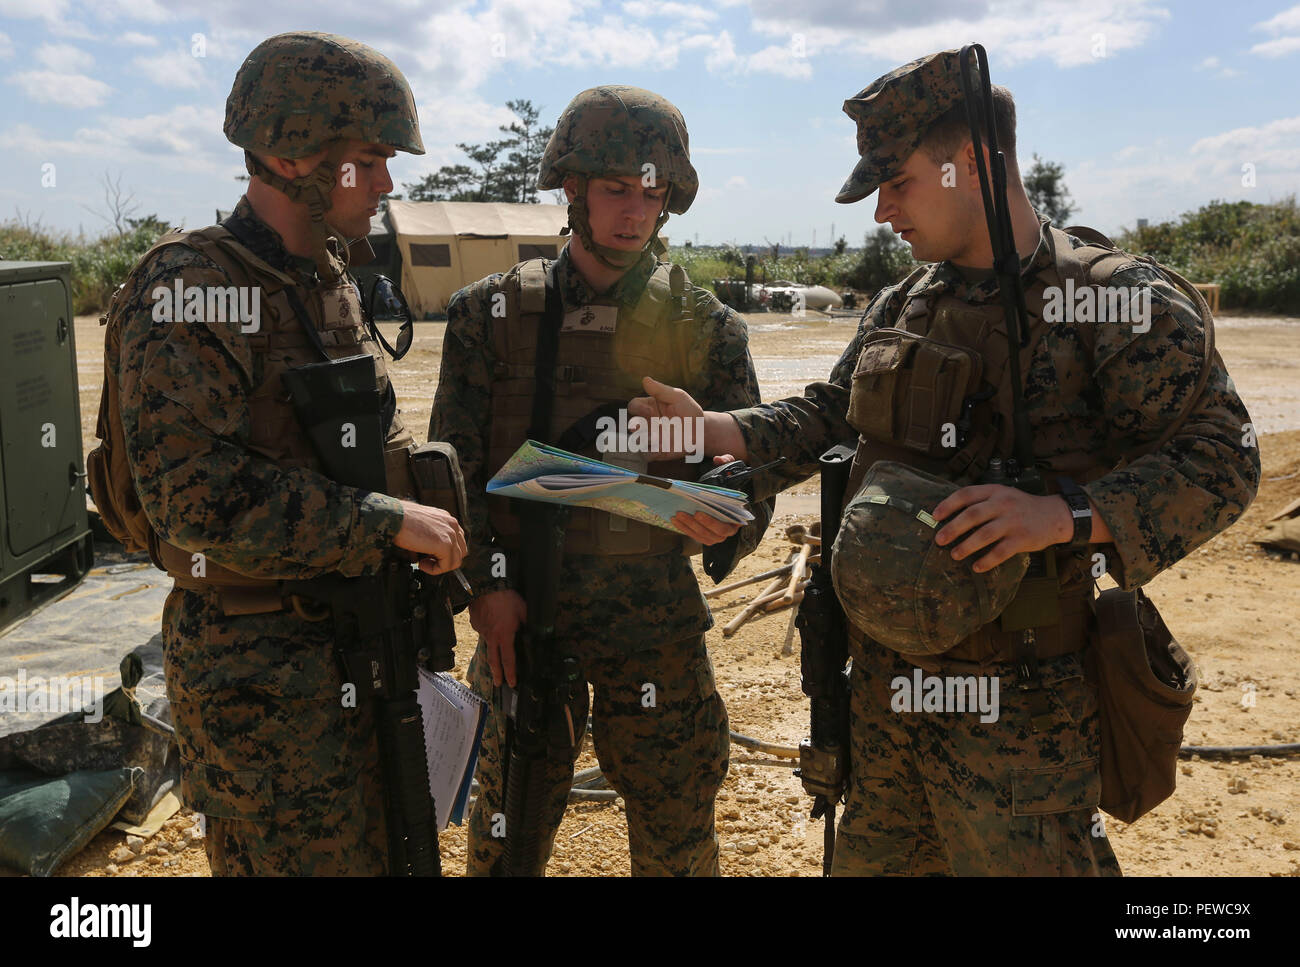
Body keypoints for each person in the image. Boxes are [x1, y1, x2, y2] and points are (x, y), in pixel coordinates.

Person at [631, 49, 1261, 876]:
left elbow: (1224, 459)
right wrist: (714, 427)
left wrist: (1065, 515)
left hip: (1022, 721)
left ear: (973, 165)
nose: (884, 210)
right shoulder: (907, 300)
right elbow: (834, 415)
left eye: (898, 182)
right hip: (888, 704)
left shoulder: (1109, 299)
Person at [89, 31, 466, 876]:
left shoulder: (325, 277)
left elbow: (368, 440)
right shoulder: (192, 289)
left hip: (358, 645)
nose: (385, 183)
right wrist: (385, 521)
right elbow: (195, 502)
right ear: (292, 154)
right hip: (259, 678)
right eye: (367, 161)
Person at [431, 85, 767, 876]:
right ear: (573, 190)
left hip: (653, 618)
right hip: (525, 617)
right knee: (507, 835)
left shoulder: (707, 327)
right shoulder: (489, 317)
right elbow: (454, 471)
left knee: (678, 832)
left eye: (653, 193)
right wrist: (487, 585)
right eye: (617, 189)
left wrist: (724, 503)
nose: (635, 211)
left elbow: (752, 476)